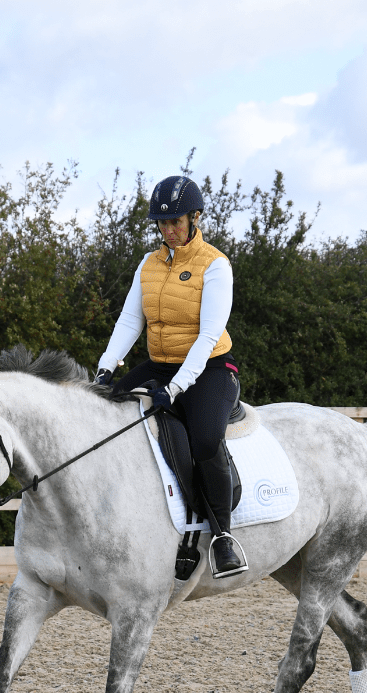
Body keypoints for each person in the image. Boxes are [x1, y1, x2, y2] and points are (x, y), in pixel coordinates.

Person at [95, 175, 247, 579]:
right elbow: (131, 319)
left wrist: (177, 388)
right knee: (101, 409)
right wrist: (106, 368)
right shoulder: (149, 264)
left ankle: (222, 535)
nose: (168, 230)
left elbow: (209, 334)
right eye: (162, 224)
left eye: (176, 222)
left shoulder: (215, 264)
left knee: (205, 438)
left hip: (209, 369)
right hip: (160, 364)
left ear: (195, 218)